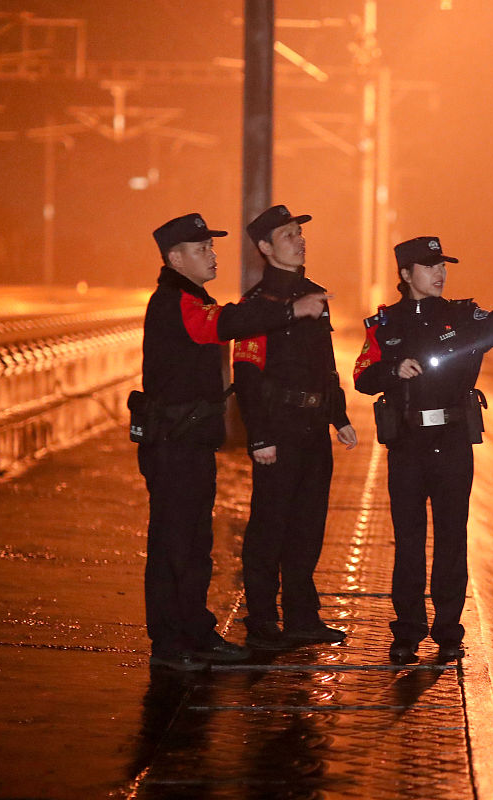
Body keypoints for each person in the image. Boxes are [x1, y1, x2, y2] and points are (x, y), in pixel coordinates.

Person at [353, 236, 493, 664]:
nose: (440, 273)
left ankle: (448, 630)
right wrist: (393, 370)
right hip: (407, 445)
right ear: (405, 275)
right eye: (429, 266)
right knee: (409, 539)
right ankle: (407, 631)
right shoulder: (384, 324)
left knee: (452, 537)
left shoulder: (461, 316)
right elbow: (363, 376)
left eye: (443, 266)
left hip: (452, 441)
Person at [140, 212, 328, 671]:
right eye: (201, 249)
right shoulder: (174, 300)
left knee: (195, 541)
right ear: (174, 257)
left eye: (212, 246)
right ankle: (172, 643)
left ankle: (195, 632)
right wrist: (290, 310)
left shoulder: (192, 296)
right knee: (175, 543)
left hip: (191, 441)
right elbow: (219, 325)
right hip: (173, 443)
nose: (212, 254)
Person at [233, 204, 358, 650]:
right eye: (288, 235)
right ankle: (263, 621)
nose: (299, 240)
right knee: (270, 526)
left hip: (312, 426)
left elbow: (326, 364)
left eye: (299, 234)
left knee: (308, 525)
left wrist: (338, 414)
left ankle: (303, 618)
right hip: (278, 428)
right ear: (265, 248)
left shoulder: (315, 295)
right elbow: (246, 376)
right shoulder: (257, 306)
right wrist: (259, 436)